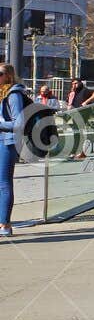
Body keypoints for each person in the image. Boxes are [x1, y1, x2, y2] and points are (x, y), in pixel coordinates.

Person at [0, 64, 24, 237]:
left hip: (7, 142)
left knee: (4, 182)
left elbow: (18, 123)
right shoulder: (2, 93)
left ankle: (5, 224)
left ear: (8, 76)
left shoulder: (14, 95)